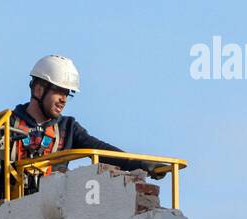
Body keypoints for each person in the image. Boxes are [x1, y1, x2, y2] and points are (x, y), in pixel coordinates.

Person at [10, 55, 162, 183]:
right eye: (59, 92)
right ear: (38, 89)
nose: (64, 100)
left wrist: (140, 164)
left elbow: (101, 150)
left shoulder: (67, 127)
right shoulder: (7, 124)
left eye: (67, 94)